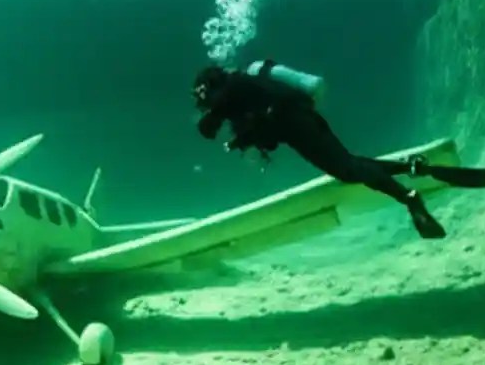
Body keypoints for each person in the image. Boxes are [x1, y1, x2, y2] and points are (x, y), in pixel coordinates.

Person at [191, 62, 451, 239]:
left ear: (208, 88)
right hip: (300, 124)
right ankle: (412, 167)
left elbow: (230, 96)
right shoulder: (240, 98)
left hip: (299, 125)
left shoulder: (235, 87)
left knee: (348, 170)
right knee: (349, 165)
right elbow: (264, 134)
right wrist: (244, 139)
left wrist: (215, 114)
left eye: (203, 99)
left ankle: (409, 197)